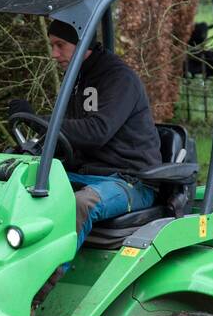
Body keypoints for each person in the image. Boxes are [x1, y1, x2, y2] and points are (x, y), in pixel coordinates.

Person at [11, 18, 164, 251]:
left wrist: (41, 121)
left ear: (82, 43)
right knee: (21, 185)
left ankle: (45, 281)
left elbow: (96, 132)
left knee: (81, 204)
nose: (54, 53)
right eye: (52, 45)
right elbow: (69, 132)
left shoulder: (119, 78)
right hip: (88, 173)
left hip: (129, 180)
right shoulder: (76, 78)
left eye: (60, 45)